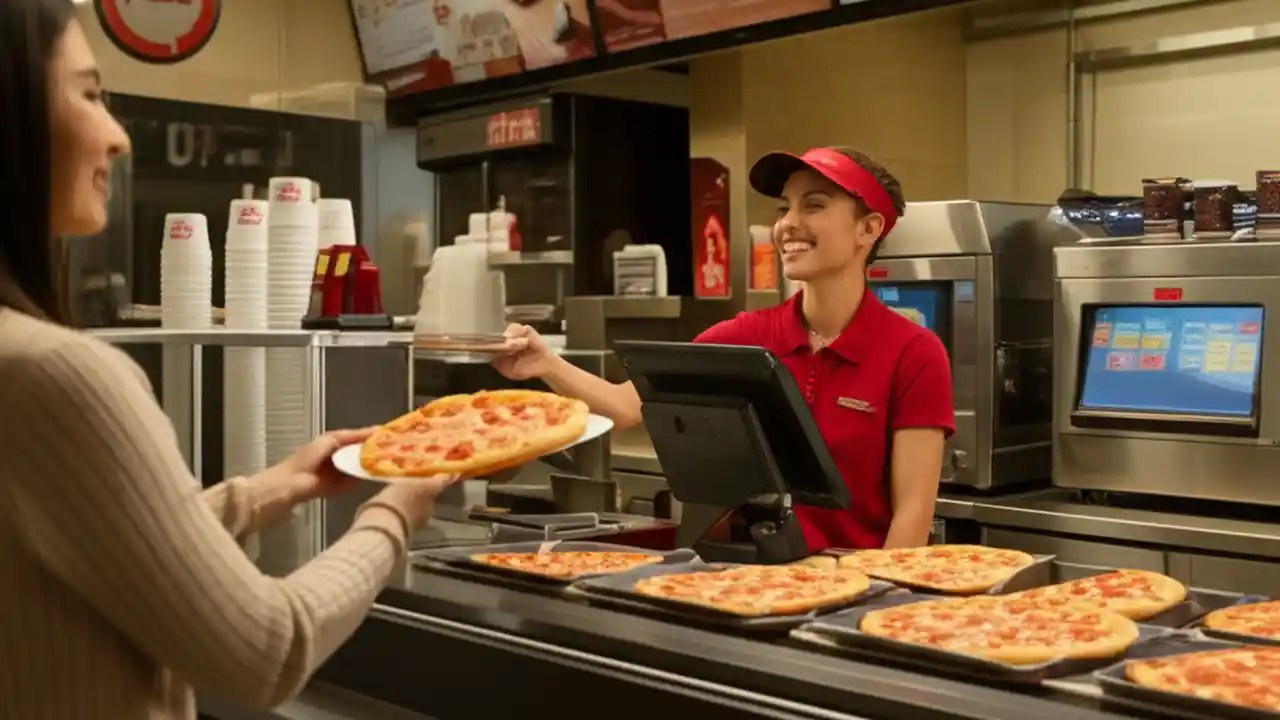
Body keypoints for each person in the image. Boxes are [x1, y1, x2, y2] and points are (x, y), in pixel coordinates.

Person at [0, 2, 457, 717]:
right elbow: (269, 649)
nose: (118, 138)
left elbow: (105, 546)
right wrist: (395, 512)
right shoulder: (59, 374)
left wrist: (271, 489)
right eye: (89, 95)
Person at [496, 146, 954, 551]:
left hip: (855, 589)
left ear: (868, 228)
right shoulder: (745, 335)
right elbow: (625, 407)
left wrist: (873, 607)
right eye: (783, 209)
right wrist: (546, 362)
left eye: (814, 206)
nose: (789, 224)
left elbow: (912, 517)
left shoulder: (913, 352)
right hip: (750, 584)